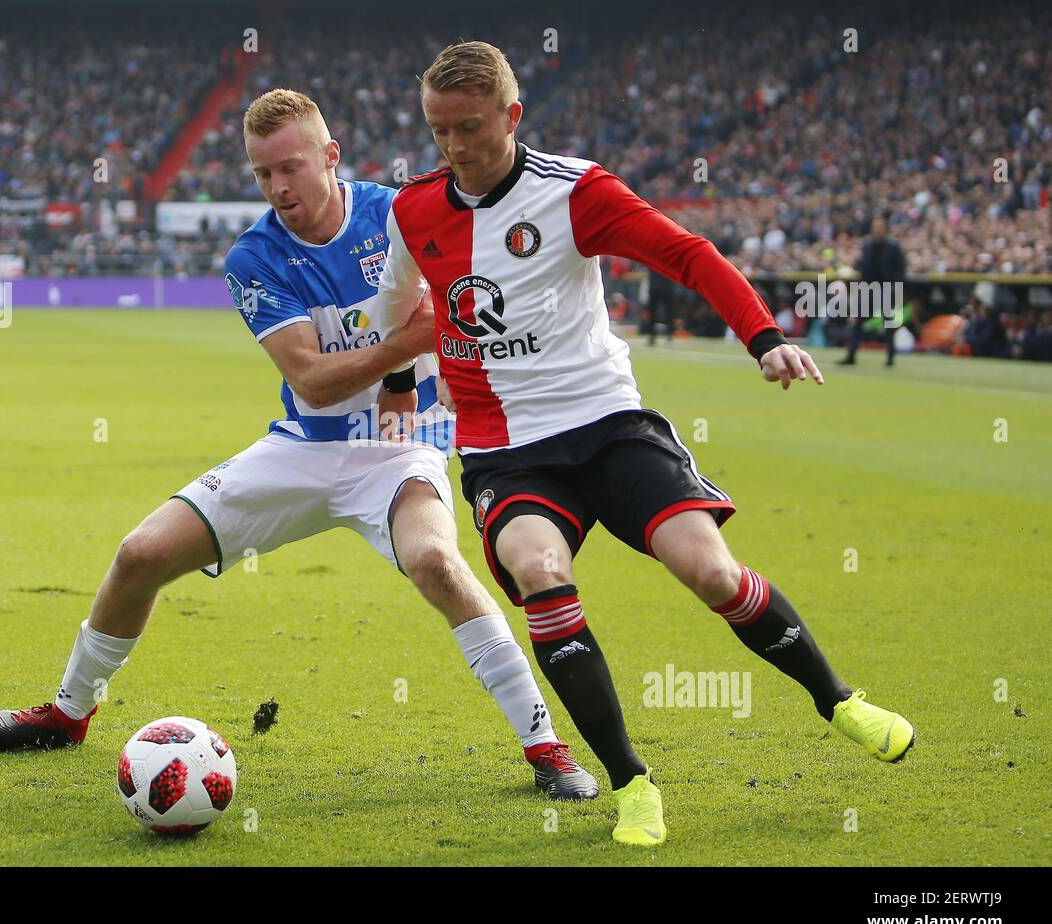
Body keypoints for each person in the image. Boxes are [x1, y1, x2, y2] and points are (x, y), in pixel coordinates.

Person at [0, 89, 599, 801]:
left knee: (434, 561)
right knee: (140, 553)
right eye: (262, 174)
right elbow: (316, 381)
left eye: (290, 168)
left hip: (402, 445)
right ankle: (69, 712)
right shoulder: (255, 256)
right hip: (304, 444)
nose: (278, 188)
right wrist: (411, 342)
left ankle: (545, 745)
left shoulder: (399, 214)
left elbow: (464, 306)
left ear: (330, 156)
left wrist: (428, 360)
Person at [375, 41, 915, 845]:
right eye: (438, 130)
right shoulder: (413, 208)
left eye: (470, 128)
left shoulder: (578, 191)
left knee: (710, 571)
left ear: (513, 117)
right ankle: (631, 782)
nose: (454, 148)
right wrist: (402, 380)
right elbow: (403, 301)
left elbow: (687, 255)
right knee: (540, 571)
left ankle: (839, 700)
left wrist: (763, 337)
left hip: (609, 425)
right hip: (505, 450)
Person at [840, 215, 906, 366]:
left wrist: (895, 287)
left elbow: (900, 270)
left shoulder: (893, 247)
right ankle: (851, 355)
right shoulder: (867, 245)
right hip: (869, 289)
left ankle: (890, 357)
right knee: (858, 324)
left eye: (880, 227)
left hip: (886, 289)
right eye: (875, 227)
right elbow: (864, 268)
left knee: (888, 325)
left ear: (885, 229)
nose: (877, 230)